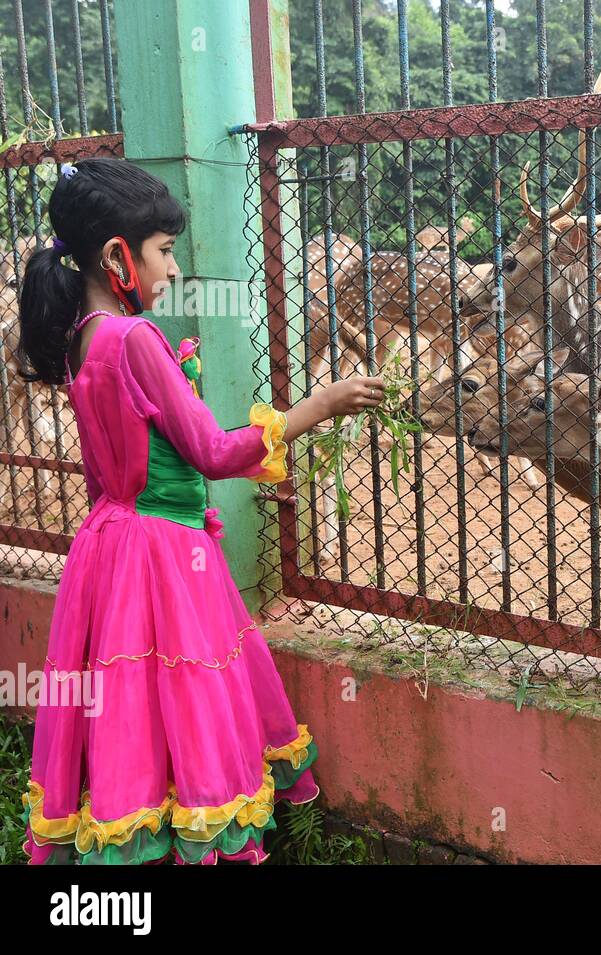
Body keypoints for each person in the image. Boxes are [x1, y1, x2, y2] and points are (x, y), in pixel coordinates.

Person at [14, 157, 383, 864]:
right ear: (118, 256)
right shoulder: (132, 340)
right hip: (162, 555)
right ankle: (192, 834)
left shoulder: (80, 340)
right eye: (162, 250)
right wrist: (317, 406)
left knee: (129, 705)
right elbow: (214, 451)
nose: (174, 268)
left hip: (108, 546)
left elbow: (109, 470)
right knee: (184, 696)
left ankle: (131, 836)